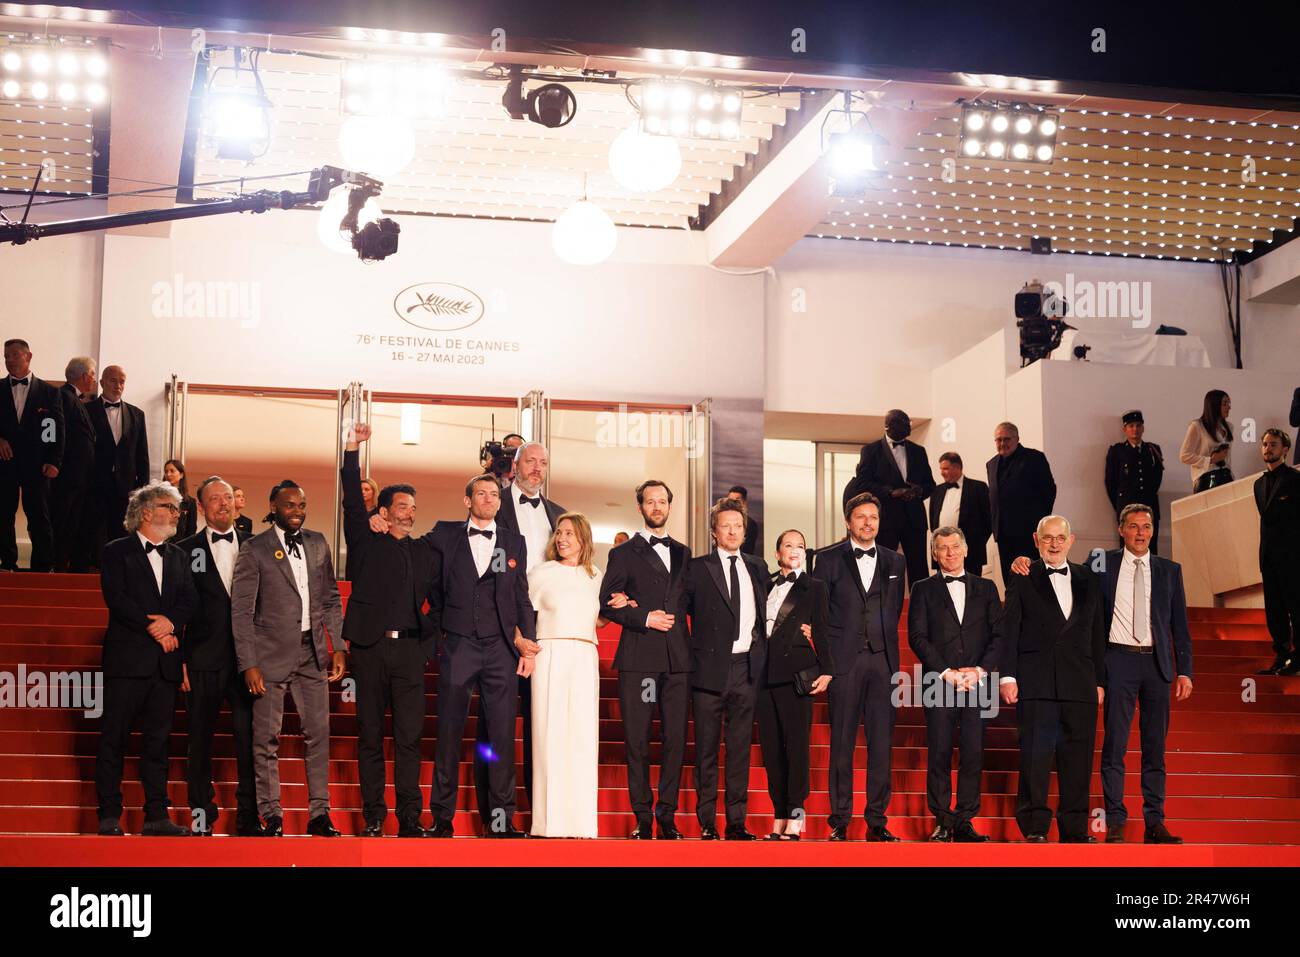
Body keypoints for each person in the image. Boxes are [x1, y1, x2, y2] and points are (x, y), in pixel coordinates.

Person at [230, 479, 346, 837]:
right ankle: (271, 815)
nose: (297, 511)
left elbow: (329, 598)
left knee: (319, 735)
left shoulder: (317, 542)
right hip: (268, 657)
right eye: (289, 505)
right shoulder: (255, 548)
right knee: (266, 738)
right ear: (274, 507)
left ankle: (319, 815)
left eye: (301, 505)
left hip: (312, 654)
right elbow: (241, 610)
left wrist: (338, 645)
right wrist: (248, 663)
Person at [423, 473, 536, 838]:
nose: (488, 498)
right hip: (458, 645)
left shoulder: (513, 541)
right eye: (481, 494)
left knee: (500, 738)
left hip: (501, 648)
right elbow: (414, 561)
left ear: (500, 503)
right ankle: (442, 818)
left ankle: (499, 820)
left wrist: (527, 643)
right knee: (449, 732)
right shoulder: (443, 534)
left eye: (493, 494)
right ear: (467, 501)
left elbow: (521, 596)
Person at [342, 424, 439, 837]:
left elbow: (441, 599)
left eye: (413, 506)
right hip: (368, 649)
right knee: (369, 737)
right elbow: (350, 497)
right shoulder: (365, 538)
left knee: (409, 739)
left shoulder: (423, 552)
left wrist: (426, 648)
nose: (410, 511)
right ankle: (374, 816)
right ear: (383, 511)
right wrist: (351, 450)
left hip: (409, 654)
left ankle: (411, 818)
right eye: (402, 505)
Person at [95, 481, 197, 836]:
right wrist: (152, 627)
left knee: (158, 743)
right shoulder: (115, 551)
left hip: (164, 667)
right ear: (147, 511)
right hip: (127, 662)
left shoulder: (180, 556)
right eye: (170, 507)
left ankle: (156, 816)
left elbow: (189, 601)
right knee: (114, 739)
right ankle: (109, 815)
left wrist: (170, 625)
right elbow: (117, 598)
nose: (176, 514)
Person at [999, 515, 1106, 843]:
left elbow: (1097, 632)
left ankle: (1074, 828)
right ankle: (1034, 826)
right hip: (1036, 681)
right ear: (1036, 539)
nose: (1055, 543)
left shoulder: (1089, 578)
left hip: (1080, 681)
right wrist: (1007, 676)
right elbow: (1009, 629)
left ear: (1071, 541)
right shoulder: (1023, 575)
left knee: (1079, 757)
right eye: (1048, 538)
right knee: (1035, 755)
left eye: (1061, 537)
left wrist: (1099, 680)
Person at [475, 440, 563, 823]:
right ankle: (495, 814)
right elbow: (487, 573)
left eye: (543, 463)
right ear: (515, 464)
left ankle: (538, 814)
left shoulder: (560, 515)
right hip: (500, 630)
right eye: (530, 461)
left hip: (547, 631)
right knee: (495, 725)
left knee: (541, 722)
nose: (537, 468)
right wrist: (510, 627)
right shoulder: (496, 504)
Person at [599, 479, 692, 840]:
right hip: (639, 657)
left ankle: (666, 817)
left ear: (670, 506)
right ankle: (642, 816)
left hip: (678, 659)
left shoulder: (685, 553)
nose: (657, 507)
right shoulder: (622, 554)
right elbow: (608, 601)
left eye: (662, 501)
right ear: (639, 507)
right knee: (636, 740)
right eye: (650, 501)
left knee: (674, 740)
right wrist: (644, 616)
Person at [811, 491, 906, 842]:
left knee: (881, 744)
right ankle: (839, 821)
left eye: (874, 518)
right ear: (848, 522)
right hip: (843, 661)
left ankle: (877, 822)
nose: (868, 523)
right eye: (861, 517)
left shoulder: (895, 562)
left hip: (882, 660)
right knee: (842, 743)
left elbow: (893, 610)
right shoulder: (826, 559)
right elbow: (820, 613)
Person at [1098, 504, 1192, 844]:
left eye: (1147, 526)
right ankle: (1116, 820)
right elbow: (1065, 579)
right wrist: (1025, 563)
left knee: (1155, 748)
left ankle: (1155, 822)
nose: (1141, 533)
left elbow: (1179, 625)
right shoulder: (1101, 563)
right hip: (1117, 662)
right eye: (1134, 526)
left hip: (1157, 666)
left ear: (1153, 531)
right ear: (1122, 529)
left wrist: (1186, 671)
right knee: (1115, 746)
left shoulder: (1169, 570)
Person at [176, 476, 262, 836]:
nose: (223, 504)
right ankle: (201, 815)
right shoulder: (183, 550)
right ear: (201, 507)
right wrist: (178, 660)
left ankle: (248, 817)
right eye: (214, 499)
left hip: (248, 663)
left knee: (250, 741)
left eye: (227, 497)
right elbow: (176, 608)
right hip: (201, 659)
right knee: (200, 739)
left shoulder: (257, 546)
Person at [908, 526, 1004, 843]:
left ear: (965, 550)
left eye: (955, 547)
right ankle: (942, 820)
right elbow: (917, 637)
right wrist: (946, 672)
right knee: (938, 751)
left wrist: (979, 670)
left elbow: (998, 635)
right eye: (943, 548)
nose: (950, 553)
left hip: (979, 682)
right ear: (934, 554)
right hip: (939, 680)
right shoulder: (922, 588)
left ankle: (964, 820)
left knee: (973, 752)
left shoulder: (987, 588)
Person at [683, 496, 769, 840]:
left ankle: (736, 822)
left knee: (738, 750)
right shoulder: (697, 567)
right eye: (726, 526)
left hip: (747, 668)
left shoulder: (758, 567)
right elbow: (678, 609)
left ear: (745, 532)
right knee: (705, 749)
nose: (732, 531)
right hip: (708, 669)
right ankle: (706, 822)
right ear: (714, 532)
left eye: (738, 526)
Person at [529, 513, 609, 838]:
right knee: (549, 736)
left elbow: (596, 617)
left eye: (570, 534)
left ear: (583, 539)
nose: (562, 539)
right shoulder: (541, 573)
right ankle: (547, 823)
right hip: (549, 652)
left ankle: (580, 823)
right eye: (559, 533)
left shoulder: (595, 575)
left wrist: (618, 606)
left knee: (582, 737)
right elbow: (523, 610)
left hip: (584, 653)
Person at [758, 529, 832, 841]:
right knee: (771, 750)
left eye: (800, 546)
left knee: (797, 749)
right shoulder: (764, 585)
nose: (794, 550)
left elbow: (824, 630)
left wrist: (827, 670)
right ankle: (779, 815)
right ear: (777, 554)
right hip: (763, 675)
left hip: (797, 675)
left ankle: (797, 817)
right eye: (788, 545)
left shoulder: (814, 587)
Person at [842, 409, 936, 589]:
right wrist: (891, 492)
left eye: (909, 422)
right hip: (885, 520)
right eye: (904, 423)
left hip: (914, 520)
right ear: (888, 426)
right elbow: (862, 483)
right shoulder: (871, 451)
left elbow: (930, 485)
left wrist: (918, 491)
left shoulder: (918, 451)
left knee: (919, 571)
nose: (909, 427)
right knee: (882, 570)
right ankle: (881, 612)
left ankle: (921, 614)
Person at [1, 338, 64, 572]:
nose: (9, 360)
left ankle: (44, 566)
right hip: (4, 464)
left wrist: (53, 460)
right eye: (6, 356)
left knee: (39, 515)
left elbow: (54, 429)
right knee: (2, 515)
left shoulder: (49, 392)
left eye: (14, 355)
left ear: (28, 357)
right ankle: (7, 564)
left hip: (37, 466)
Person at [87, 365, 150, 566]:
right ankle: (94, 567)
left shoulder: (137, 414)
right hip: (94, 481)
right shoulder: (87, 410)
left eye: (122, 381)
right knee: (94, 527)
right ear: (102, 382)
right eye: (113, 380)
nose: (118, 385)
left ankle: (118, 568)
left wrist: (144, 490)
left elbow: (142, 455)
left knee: (122, 529)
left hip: (126, 484)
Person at [986, 421, 1056, 587]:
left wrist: (1039, 524)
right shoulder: (991, 464)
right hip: (1003, 534)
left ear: (1017, 438)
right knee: (1008, 577)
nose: (1002, 443)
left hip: (1028, 532)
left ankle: (1031, 612)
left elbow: (1049, 491)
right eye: (998, 440)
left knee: (1031, 577)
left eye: (1007, 439)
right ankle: (1012, 610)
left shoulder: (1034, 458)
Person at [1255, 429, 1300, 676]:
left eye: (1273, 444)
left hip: (1292, 557)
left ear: (1285, 449)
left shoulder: (1295, 480)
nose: (1267, 448)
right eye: (1264, 444)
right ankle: (1281, 656)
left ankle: (1299, 658)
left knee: (1296, 607)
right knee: (1274, 610)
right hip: (1268, 557)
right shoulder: (1258, 484)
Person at [52, 356, 97, 573]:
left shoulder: (77, 400)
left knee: (71, 527)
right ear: (85, 376)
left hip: (78, 480)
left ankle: (62, 567)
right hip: (67, 478)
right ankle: (56, 568)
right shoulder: (63, 396)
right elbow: (57, 435)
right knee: (61, 525)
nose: (95, 380)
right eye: (94, 374)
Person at [1104, 410, 1165, 553]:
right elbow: (1110, 483)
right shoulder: (1117, 451)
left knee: (1151, 548)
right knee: (1128, 548)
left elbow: (1157, 478)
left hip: (1149, 506)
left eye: (1138, 425)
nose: (1135, 429)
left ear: (1143, 428)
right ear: (1124, 429)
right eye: (1131, 426)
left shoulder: (1152, 450)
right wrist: (1121, 505)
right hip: (1127, 507)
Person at [928, 451, 992, 576]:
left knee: (972, 588)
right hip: (942, 550)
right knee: (944, 589)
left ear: (957, 467)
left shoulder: (978, 487)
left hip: (970, 550)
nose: (942, 472)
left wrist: (975, 542)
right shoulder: (937, 491)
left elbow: (988, 520)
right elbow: (933, 522)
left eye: (946, 468)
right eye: (941, 469)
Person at [1179, 389, 1232, 490]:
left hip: (1225, 478)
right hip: (1205, 481)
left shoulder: (1229, 427)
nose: (1229, 407)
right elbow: (1184, 456)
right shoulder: (1197, 426)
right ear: (1214, 405)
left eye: (1229, 403)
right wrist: (1210, 460)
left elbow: (1228, 457)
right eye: (1225, 403)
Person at [163, 459, 198, 541]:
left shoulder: (190, 502)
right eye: (166, 471)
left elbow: (191, 530)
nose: (168, 474)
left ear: (181, 475)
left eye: (172, 471)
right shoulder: (158, 498)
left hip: (180, 547)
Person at [726, 485, 763, 557]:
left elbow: (747, 551)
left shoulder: (750, 524)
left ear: (744, 502)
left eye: (736, 500)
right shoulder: (721, 522)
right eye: (730, 500)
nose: (732, 503)